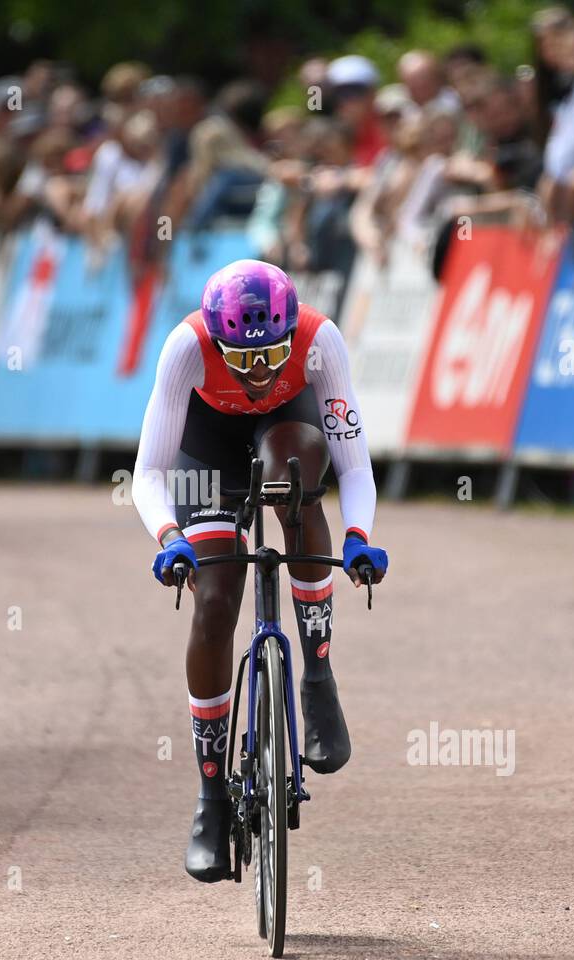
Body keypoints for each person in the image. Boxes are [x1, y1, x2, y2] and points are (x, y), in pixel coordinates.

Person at [131, 260, 388, 882]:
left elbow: (354, 467)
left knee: (295, 475)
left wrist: (358, 539)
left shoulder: (319, 340)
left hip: (286, 430)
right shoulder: (185, 349)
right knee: (216, 601)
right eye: (242, 361)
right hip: (207, 449)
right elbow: (149, 474)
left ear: (290, 335)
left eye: (271, 355)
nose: (260, 373)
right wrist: (169, 539)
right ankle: (212, 799)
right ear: (216, 341)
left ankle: (317, 679)